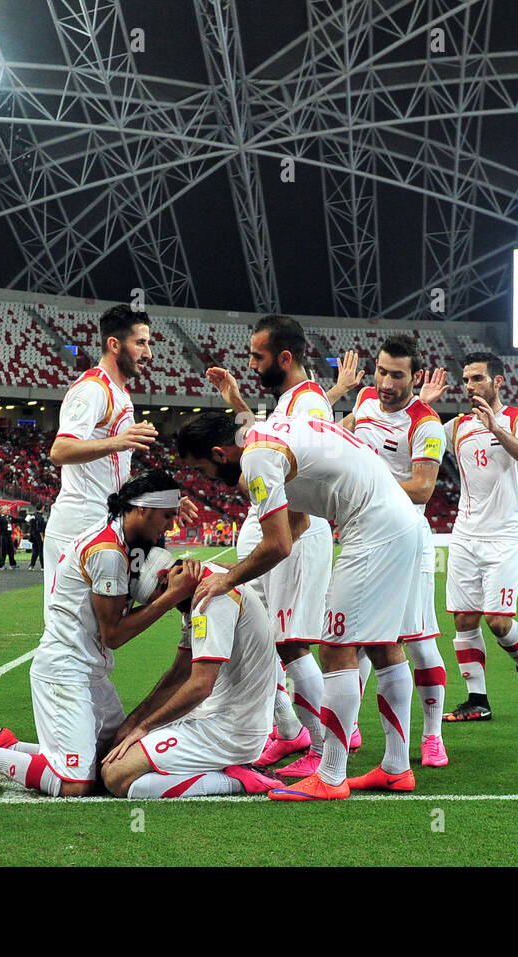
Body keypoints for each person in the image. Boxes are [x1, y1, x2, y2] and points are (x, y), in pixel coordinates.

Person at [178, 409, 425, 801]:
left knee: (335, 649)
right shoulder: (270, 436)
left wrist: (228, 579)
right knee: (384, 646)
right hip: (398, 522)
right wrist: (237, 570)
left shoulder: (256, 456)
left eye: (202, 469)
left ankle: (330, 776)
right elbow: (298, 527)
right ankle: (396, 768)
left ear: (218, 453)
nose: (207, 480)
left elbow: (279, 544)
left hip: (374, 528)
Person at [0, 471, 193, 797]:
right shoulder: (109, 552)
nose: (170, 526)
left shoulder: (118, 536)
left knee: (111, 760)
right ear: (142, 509)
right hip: (64, 668)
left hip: (89, 668)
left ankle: (10, 746)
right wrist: (169, 599)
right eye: (167, 516)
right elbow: (114, 635)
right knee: (75, 784)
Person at [204, 314, 335, 779]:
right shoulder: (288, 403)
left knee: (294, 643)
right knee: (269, 640)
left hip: (298, 531)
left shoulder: (311, 404)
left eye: (258, 356)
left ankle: (322, 750)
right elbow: (262, 445)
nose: (252, 363)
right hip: (280, 530)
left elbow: (309, 473)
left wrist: (288, 536)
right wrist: (236, 400)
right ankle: (290, 731)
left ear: (284, 358)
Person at [325, 334, 451, 768]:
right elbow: (342, 437)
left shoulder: (426, 424)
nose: (385, 382)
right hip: (361, 535)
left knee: (416, 640)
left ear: (415, 377)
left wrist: (365, 488)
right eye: (381, 371)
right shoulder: (362, 401)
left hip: (405, 542)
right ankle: (351, 726)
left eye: (397, 375)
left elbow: (422, 488)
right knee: (353, 638)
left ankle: (432, 736)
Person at [99, 548, 283, 798]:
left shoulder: (211, 596)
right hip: (215, 716)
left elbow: (200, 685)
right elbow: (179, 674)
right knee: (115, 753)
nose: (158, 607)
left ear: (167, 578)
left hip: (232, 730)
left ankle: (239, 780)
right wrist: (131, 724)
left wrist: (144, 726)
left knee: (116, 774)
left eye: (156, 598)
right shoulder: (199, 588)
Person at [420, 352, 518, 722]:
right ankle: (478, 701)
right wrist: (423, 407)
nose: (470, 386)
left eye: (477, 378)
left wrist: (496, 429)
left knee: (498, 622)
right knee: (463, 620)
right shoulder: (455, 427)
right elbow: (417, 442)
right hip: (464, 535)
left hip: (503, 538)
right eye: (466, 380)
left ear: (497, 381)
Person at [43, 305, 160, 599]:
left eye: (149, 344)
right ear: (114, 344)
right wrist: (117, 441)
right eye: (141, 343)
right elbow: (60, 450)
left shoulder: (120, 393)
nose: (148, 354)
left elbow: (114, 472)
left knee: (98, 634)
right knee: (72, 633)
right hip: (78, 526)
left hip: (101, 524)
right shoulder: (93, 389)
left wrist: (159, 502)